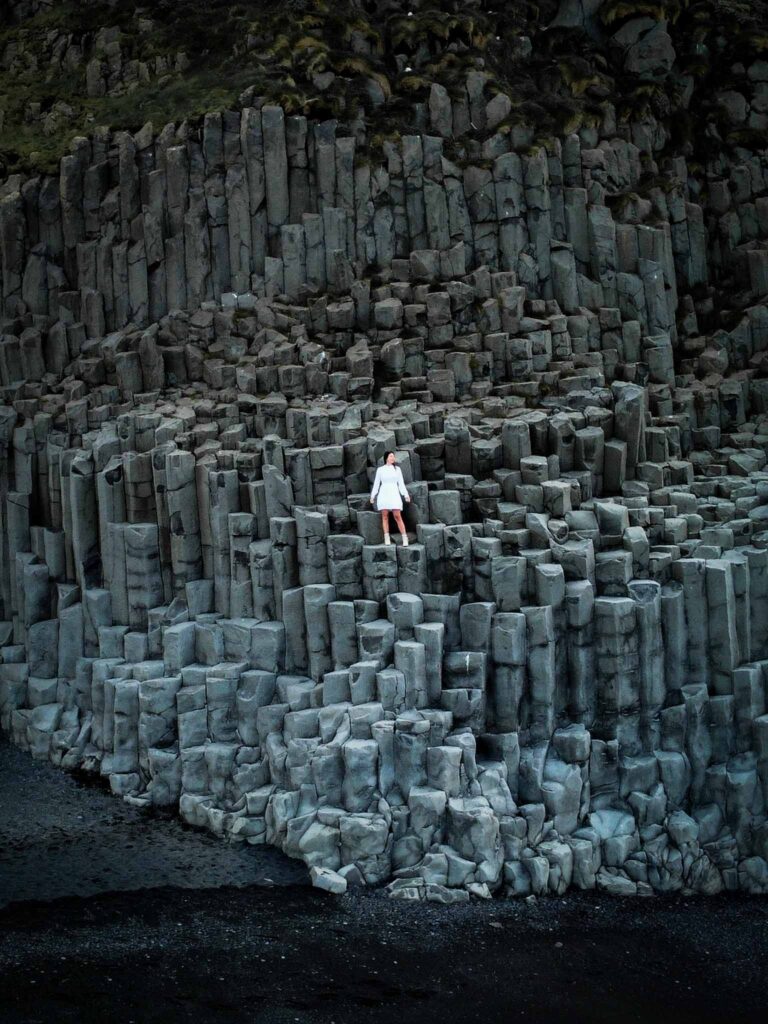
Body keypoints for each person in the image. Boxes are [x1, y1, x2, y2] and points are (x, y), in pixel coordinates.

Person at [370, 451, 411, 546]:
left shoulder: (397, 469)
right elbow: (376, 484)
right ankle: (386, 537)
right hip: (384, 494)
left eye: (393, 456)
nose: (393, 458)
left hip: (394, 493)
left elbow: (401, 483)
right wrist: (373, 496)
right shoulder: (380, 470)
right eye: (391, 456)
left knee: (397, 515)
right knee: (385, 516)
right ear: (386, 458)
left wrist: (406, 495)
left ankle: (405, 537)